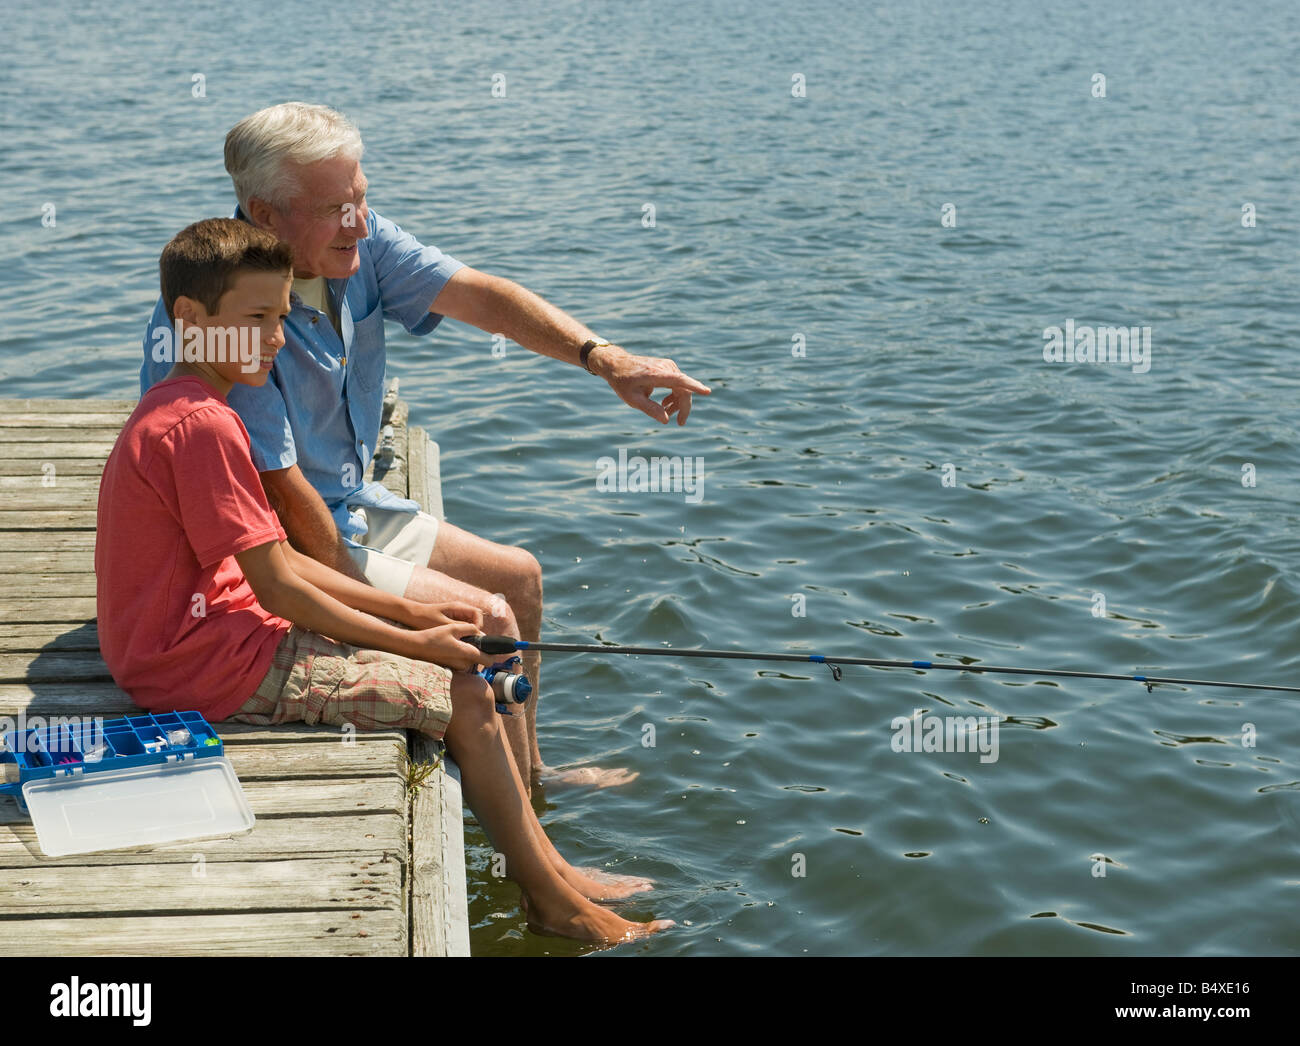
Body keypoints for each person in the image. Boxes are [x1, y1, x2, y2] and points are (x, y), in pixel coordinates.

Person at [102, 218, 672, 944]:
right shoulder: (203, 429)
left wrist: (414, 623)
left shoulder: (189, 407)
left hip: (209, 635)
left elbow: (284, 565)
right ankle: (551, 897)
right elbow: (279, 586)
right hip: (204, 667)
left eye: (282, 316)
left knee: (462, 650)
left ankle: (551, 868)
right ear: (190, 319)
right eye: (256, 318)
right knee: (467, 693)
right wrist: (422, 640)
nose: (277, 338)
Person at [139, 102, 712, 794]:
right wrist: (399, 617)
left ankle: (530, 778)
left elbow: (481, 296)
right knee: (487, 618)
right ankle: (518, 829)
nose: (358, 221)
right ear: (265, 214)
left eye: (361, 197)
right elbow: (284, 503)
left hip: (348, 503)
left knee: (519, 578)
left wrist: (605, 358)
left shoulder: (360, 242)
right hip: (279, 546)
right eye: (333, 208)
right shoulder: (231, 321)